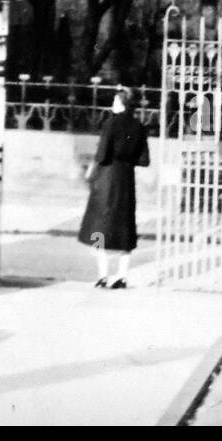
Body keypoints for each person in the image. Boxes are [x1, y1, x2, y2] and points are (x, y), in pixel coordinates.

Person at [78, 85, 150, 289]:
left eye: (115, 101)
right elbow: (144, 160)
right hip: (126, 180)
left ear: (121, 104)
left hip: (107, 178)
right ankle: (122, 276)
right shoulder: (139, 126)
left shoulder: (110, 124)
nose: (112, 104)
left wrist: (90, 172)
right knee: (125, 228)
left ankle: (103, 275)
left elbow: (101, 155)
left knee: (99, 226)